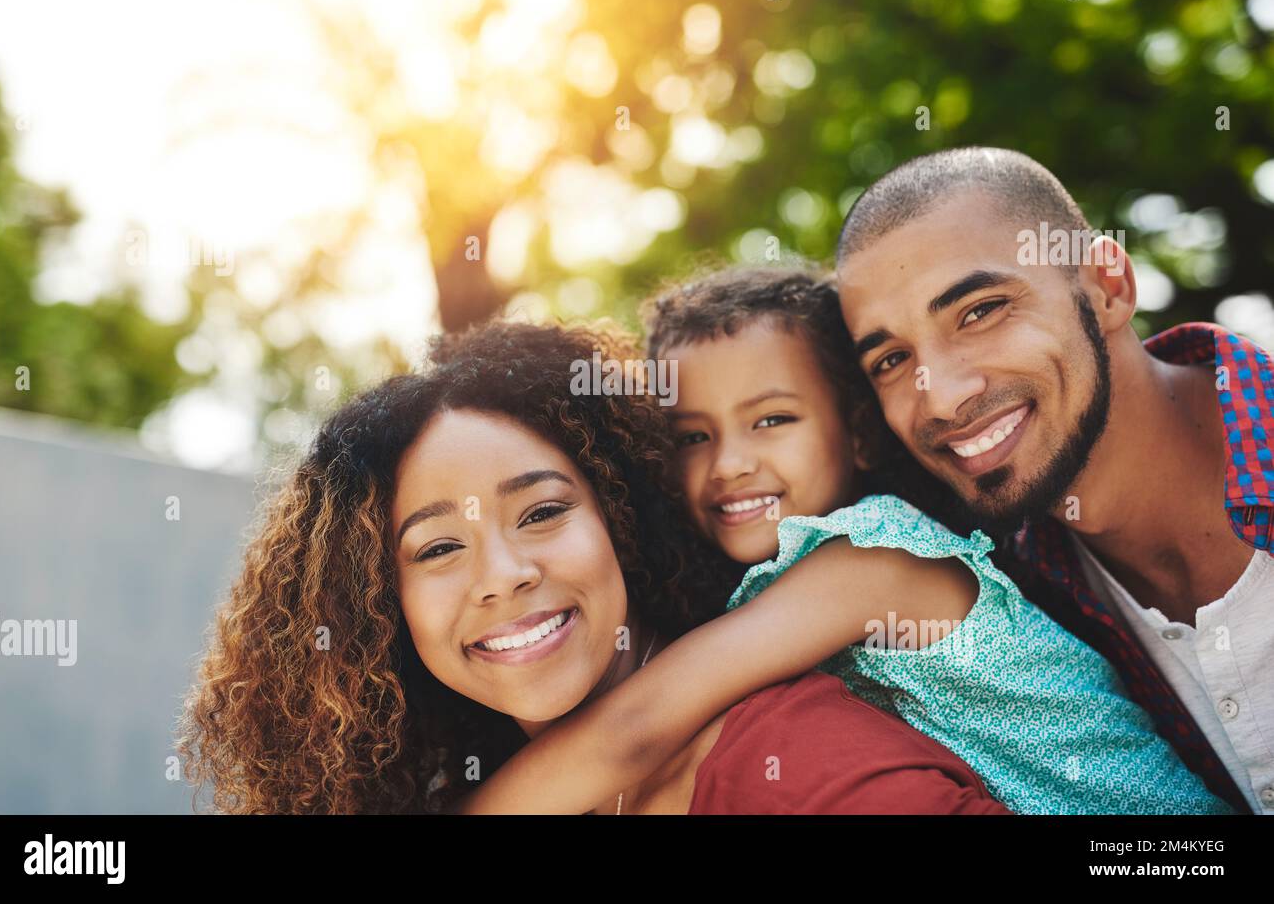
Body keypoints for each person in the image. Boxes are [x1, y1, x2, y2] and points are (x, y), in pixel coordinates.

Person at [458, 267, 1232, 815]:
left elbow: (633, 730)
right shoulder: (783, 578)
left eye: (772, 419)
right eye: (692, 435)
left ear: (858, 433)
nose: (730, 464)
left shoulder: (873, 557)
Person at [176, 320, 1009, 814]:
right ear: (376, 604)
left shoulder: (801, 769)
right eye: (438, 548)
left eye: (542, 512)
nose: (502, 574)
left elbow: (630, 732)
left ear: (623, 517)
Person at [835, 146, 1271, 814]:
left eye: (979, 311)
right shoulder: (1017, 610)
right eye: (892, 359)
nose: (942, 398)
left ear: (1107, 288)